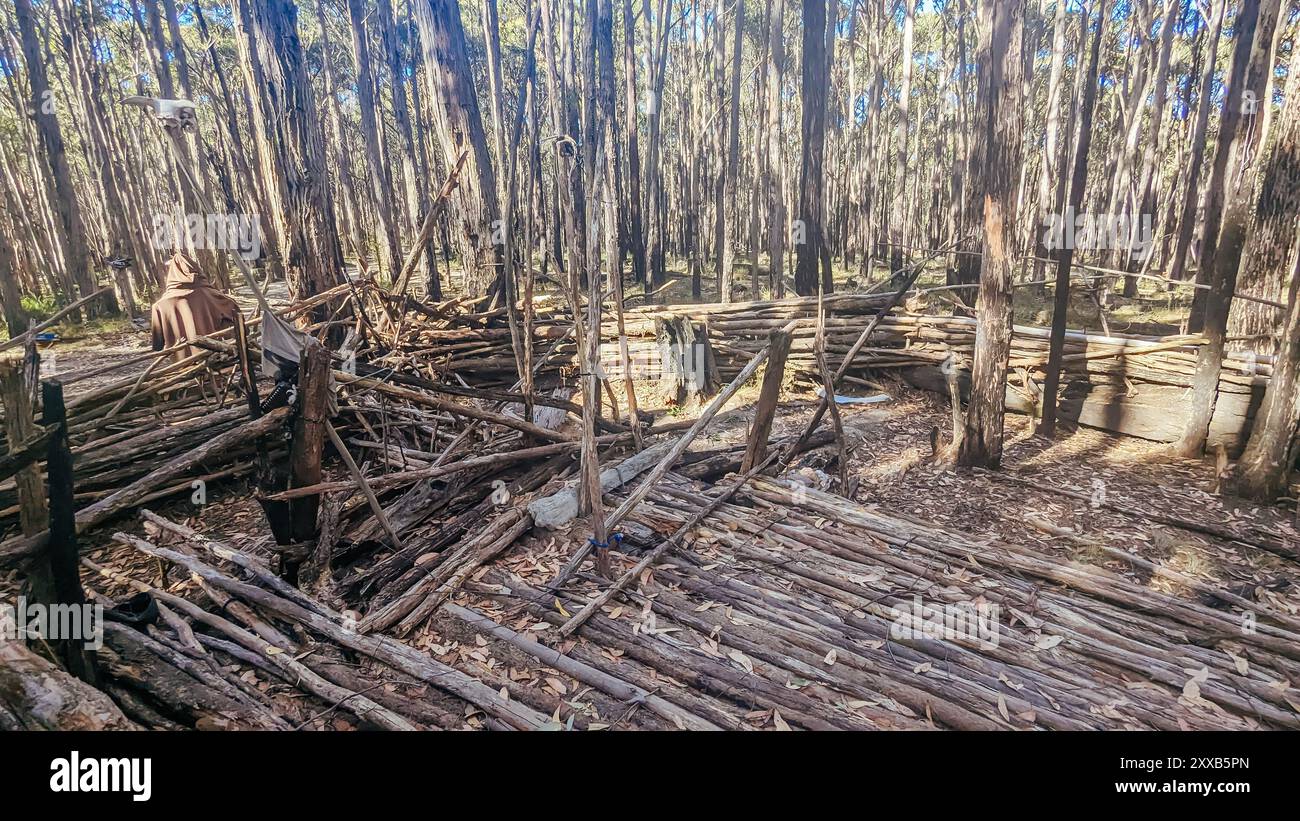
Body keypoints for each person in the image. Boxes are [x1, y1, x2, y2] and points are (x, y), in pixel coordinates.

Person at [150, 253, 241, 360]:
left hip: (183, 362)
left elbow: (158, 345)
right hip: (215, 355)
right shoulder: (211, 294)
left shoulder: (160, 305)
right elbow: (234, 310)